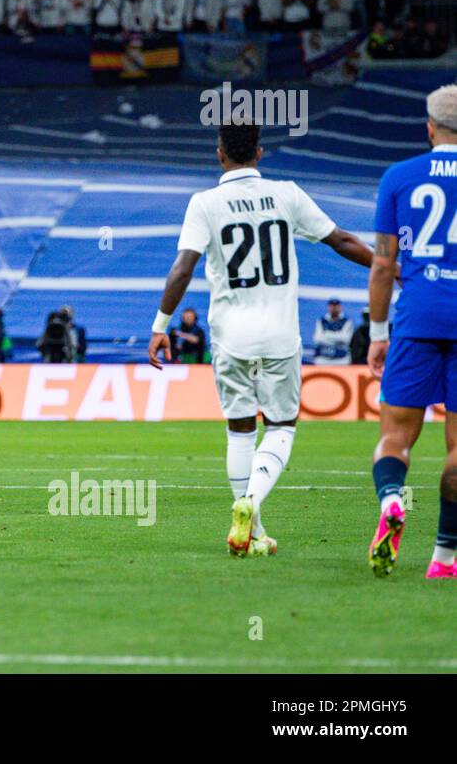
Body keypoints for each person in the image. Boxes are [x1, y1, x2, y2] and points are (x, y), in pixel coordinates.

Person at [149, 121, 371, 557]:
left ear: (219, 154)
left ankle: (249, 527)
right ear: (260, 153)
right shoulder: (287, 193)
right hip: (279, 335)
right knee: (282, 426)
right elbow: (341, 240)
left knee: (239, 430)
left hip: (230, 335)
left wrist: (160, 326)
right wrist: (391, 269)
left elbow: (182, 268)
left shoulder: (205, 203)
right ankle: (251, 509)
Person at [366, 85, 457, 579]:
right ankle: (444, 558)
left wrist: (378, 332)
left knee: (395, 437)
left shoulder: (400, 177)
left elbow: (383, 265)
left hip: (416, 319)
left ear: (429, 128)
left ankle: (393, 499)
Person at [312, 298, 353, 365]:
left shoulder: (347, 321)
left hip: (341, 359)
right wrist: (337, 336)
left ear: (340, 307)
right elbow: (317, 338)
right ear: (328, 307)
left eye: (336, 306)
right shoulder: (322, 321)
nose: (334, 308)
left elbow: (346, 339)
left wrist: (326, 334)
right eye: (332, 306)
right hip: (323, 358)